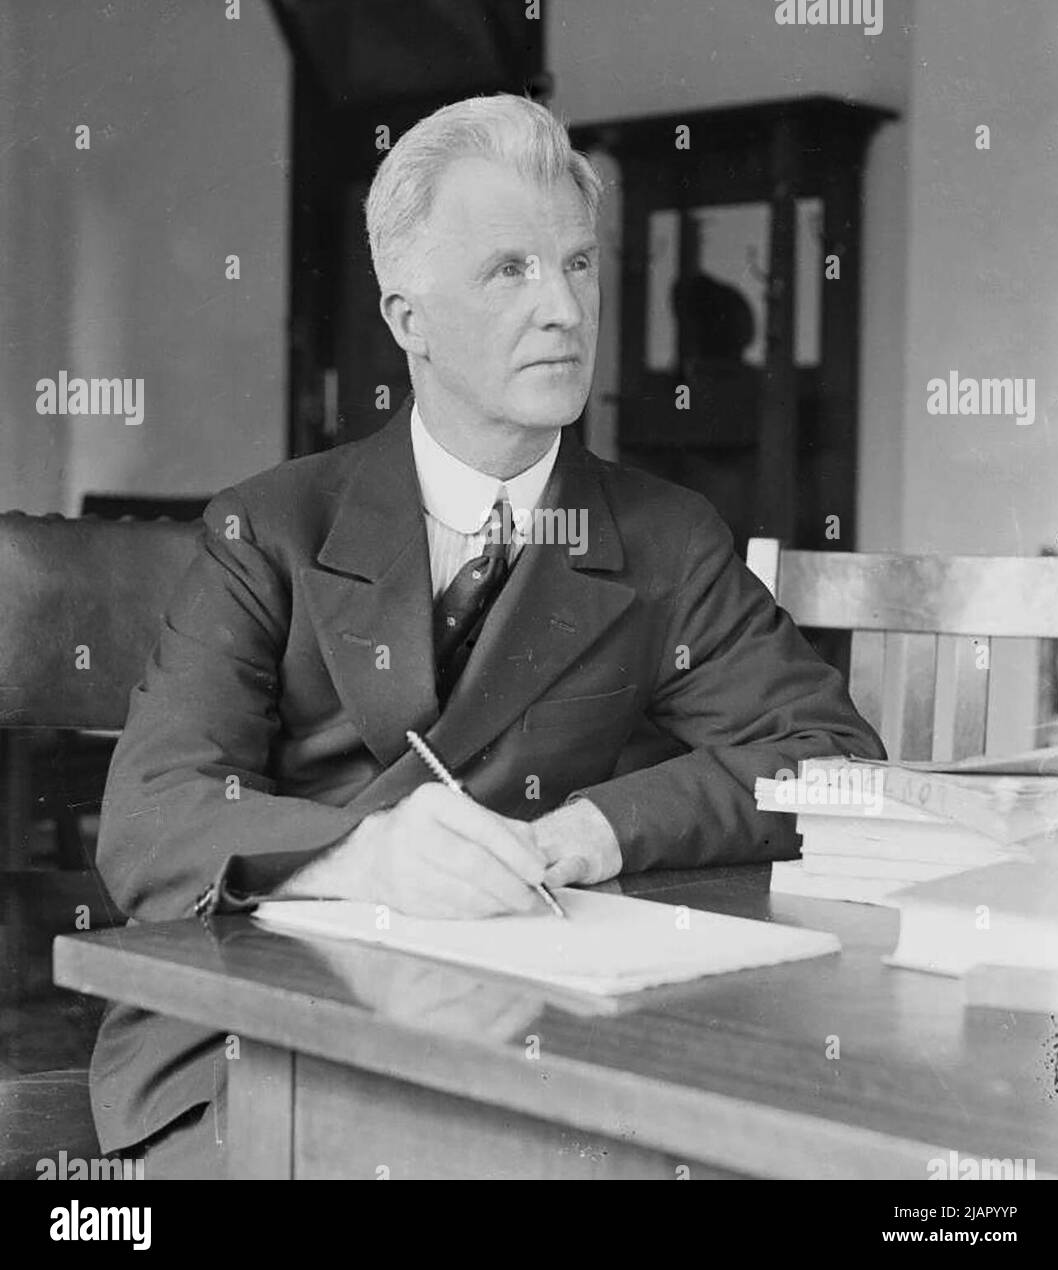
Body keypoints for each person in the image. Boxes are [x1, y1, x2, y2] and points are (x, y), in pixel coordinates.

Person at [92, 93, 883, 1175]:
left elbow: (830, 763)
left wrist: (596, 828)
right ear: (407, 316)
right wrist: (361, 856)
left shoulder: (662, 538)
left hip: (536, 1043)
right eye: (508, 270)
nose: (562, 308)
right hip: (266, 1045)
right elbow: (151, 817)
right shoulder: (270, 527)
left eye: (576, 263)